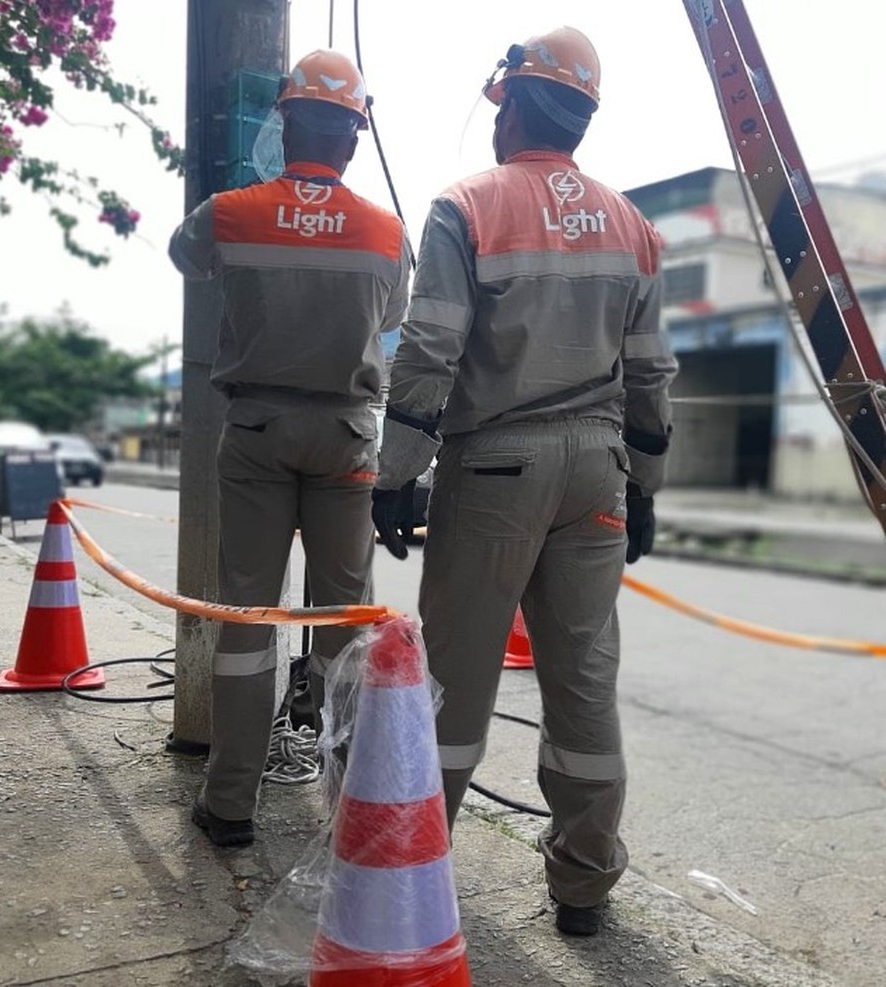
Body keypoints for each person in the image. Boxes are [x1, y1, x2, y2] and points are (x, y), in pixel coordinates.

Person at [372, 27, 678, 935]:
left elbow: (429, 346)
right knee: (583, 679)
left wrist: (396, 473)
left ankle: (409, 879)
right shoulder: (635, 226)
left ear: (512, 106)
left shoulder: (467, 205)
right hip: (599, 467)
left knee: (456, 684)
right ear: (581, 120)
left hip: (496, 463)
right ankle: (583, 888)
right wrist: (647, 485)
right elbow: (653, 374)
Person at [169, 49, 411, 847]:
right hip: (346, 437)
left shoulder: (229, 211)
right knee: (344, 621)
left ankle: (231, 802)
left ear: (284, 122)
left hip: (257, 432)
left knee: (248, 615)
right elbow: (390, 315)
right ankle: (347, 803)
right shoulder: (385, 233)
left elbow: (186, 256)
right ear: (353, 136)